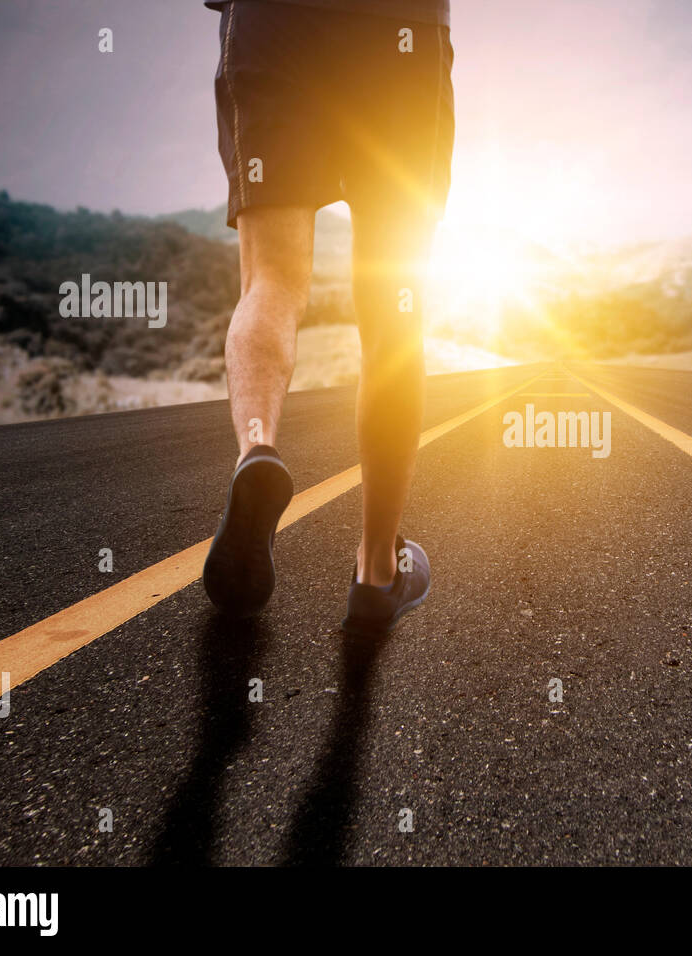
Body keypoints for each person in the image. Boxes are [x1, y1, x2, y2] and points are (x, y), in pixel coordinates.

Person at [199, 0, 453, 636]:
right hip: (402, 34)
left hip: (275, 25)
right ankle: (376, 572)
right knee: (395, 312)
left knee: (272, 284)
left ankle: (258, 449)